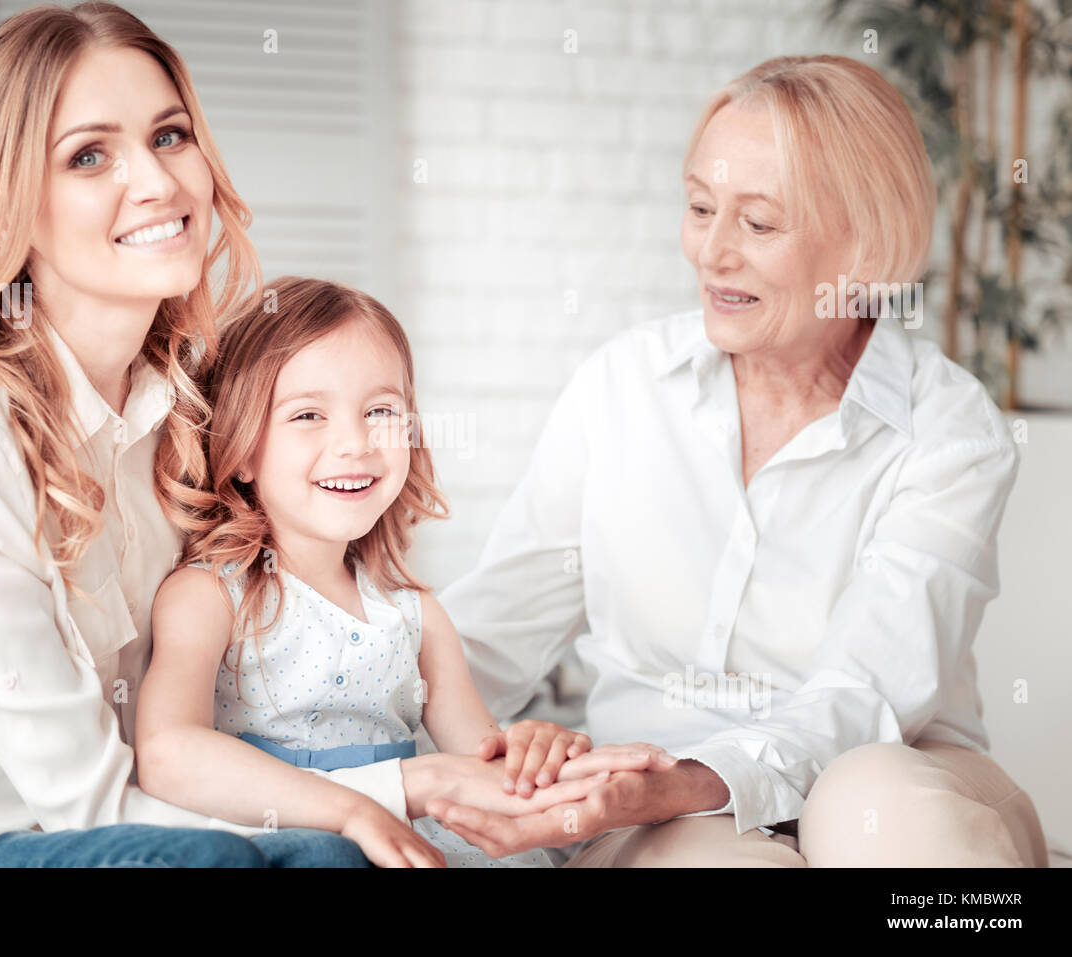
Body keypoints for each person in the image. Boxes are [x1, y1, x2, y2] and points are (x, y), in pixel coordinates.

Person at [0, 1, 369, 868]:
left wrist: (379, 804)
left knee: (335, 858)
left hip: (62, 832)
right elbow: (83, 794)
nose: (159, 183)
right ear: (9, 202)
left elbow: (197, 723)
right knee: (210, 865)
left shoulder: (177, 414)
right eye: (89, 156)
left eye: (170, 137)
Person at [424, 55, 1051, 868]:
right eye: (698, 207)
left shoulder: (948, 426)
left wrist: (690, 777)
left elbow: (864, 695)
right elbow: (484, 639)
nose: (712, 252)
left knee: (871, 800)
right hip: (661, 812)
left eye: (758, 224)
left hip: (903, 782)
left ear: (861, 240)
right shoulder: (623, 386)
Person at [138, 276, 635, 868]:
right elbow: (168, 752)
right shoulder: (208, 596)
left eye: (379, 410)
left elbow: (482, 768)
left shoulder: (414, 614)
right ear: (242, 450)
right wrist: (353, 809)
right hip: (290, 848)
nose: (354, 442)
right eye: (308, 415)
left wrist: (535, 752)